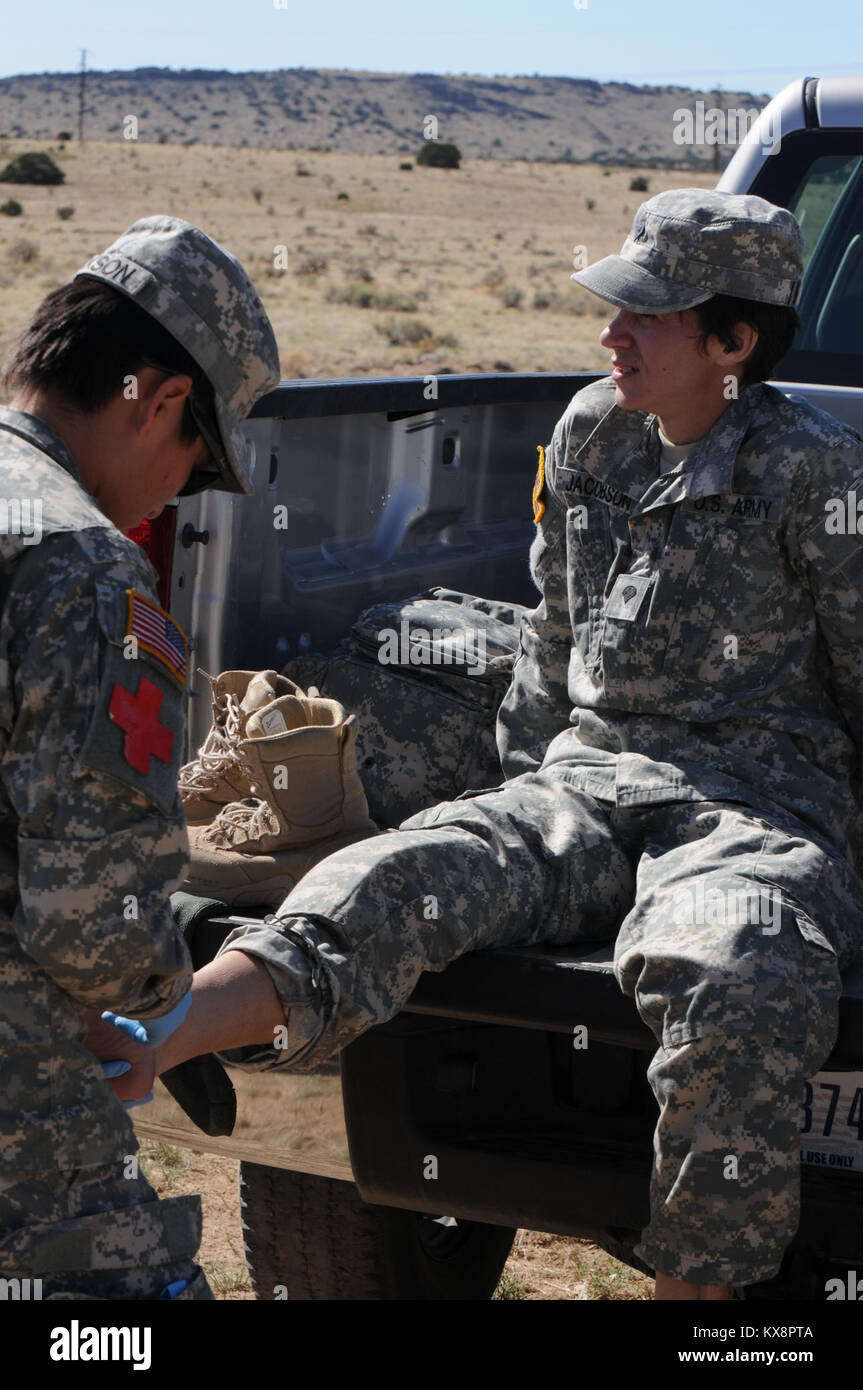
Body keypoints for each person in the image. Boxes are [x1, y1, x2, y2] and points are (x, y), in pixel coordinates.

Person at [105, 190, 863, 1301]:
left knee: (737, 967)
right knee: (394, 871)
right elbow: (548, 648)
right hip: (583, 781)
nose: (611, 335)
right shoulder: (588, 438)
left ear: (733, 342)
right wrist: (505, 824)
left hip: (751, 809)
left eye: (646, 318)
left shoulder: (816, 475)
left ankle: (703, 1299)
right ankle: (155, 1035)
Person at [0, 215, 279, 1300]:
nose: (173, 496)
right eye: (196, 465)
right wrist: (168, 992)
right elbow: (89, 921)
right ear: (159, 400)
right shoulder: (80, 566)